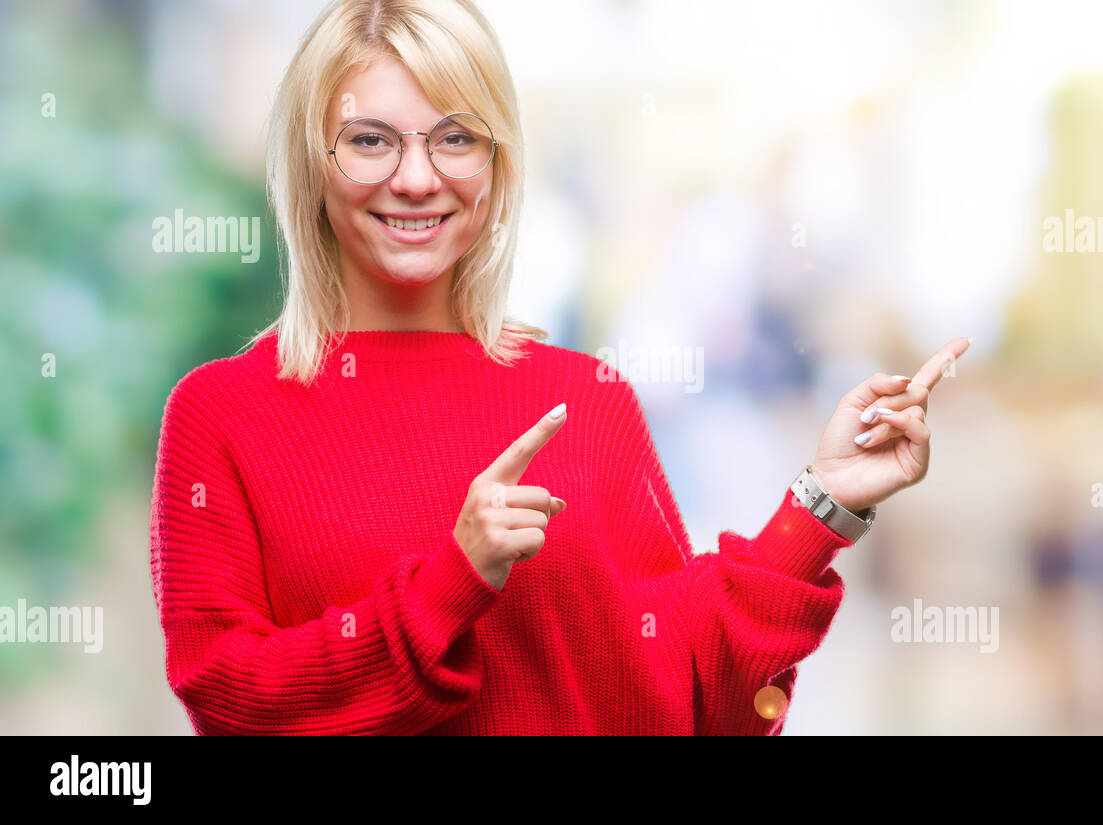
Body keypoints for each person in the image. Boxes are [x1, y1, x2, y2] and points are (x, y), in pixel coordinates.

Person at [148, 0, 970, 735]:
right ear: (310, 160)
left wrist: (819, 506)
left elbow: (680, 686)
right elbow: (229, 694)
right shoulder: (221, 413)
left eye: (456, 138)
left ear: (497, 164)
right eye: (370, 141)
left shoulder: (586, 397)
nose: (416, 177)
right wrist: (447, 586)